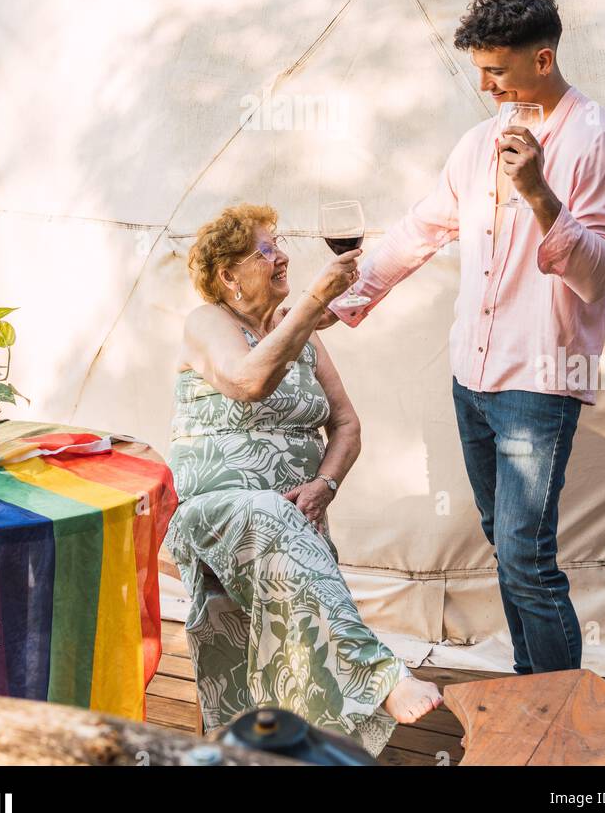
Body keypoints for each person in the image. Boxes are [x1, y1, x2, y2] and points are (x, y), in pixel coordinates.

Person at [319, 0, 605, 677]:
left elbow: (596, 276)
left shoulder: (598, 143)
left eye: (496, 71)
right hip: (473, 374)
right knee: (503, 541)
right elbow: (421, 230)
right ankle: (534, 690)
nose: (485, 85)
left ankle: (561, 713)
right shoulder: (478, 143)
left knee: (527, 557)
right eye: (481, 71)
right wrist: (347, 299)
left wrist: (539, 195)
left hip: (539, 381)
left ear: (544, 59)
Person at [163, 202, 441, 756]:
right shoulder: (208, 323)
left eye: (279, 243)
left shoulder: (304, 339)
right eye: (266, 250)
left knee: (278, 527)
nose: (283, 255)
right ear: (229, 275)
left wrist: (326, 485)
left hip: (294, 520)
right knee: (265, 510)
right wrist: (315, 299)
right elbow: (247, 382)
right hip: (215, 512)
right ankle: (379, 675)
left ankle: (283, 745)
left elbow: (346, 424)